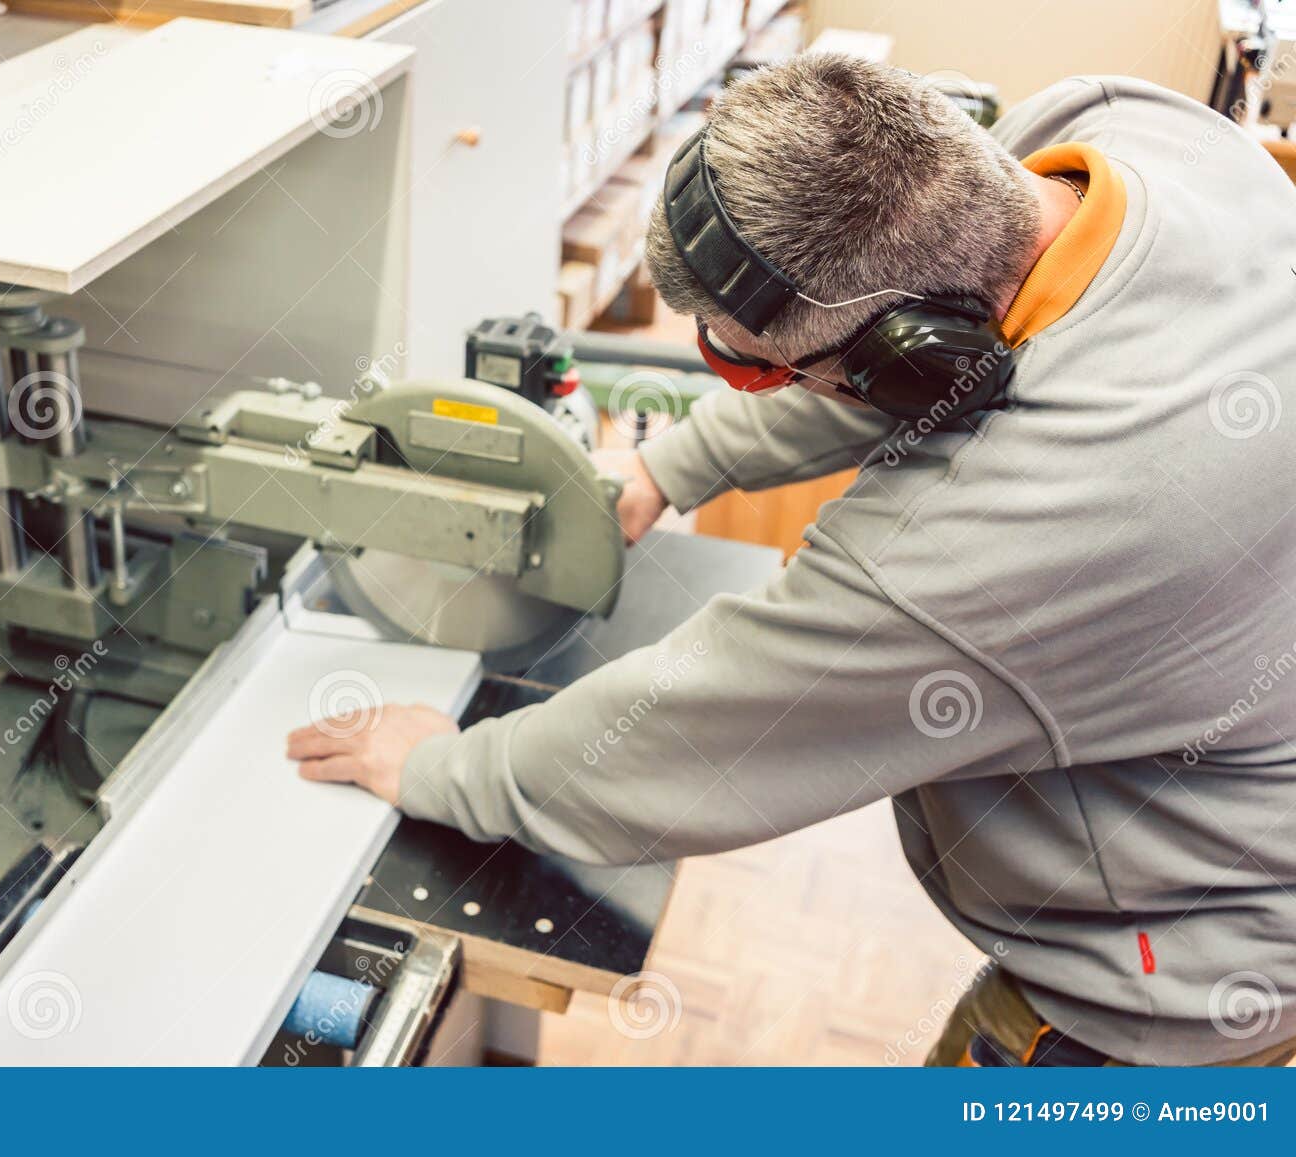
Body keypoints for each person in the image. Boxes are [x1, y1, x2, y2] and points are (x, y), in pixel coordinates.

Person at [287, 54, 1296, 1066]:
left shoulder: (1000, 541)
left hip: (1171, 987)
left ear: (914, 357)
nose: (748, 385)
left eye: (756, 367)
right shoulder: (1133, 132)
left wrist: (435, 761)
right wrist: (668, 463)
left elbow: (685, 734)